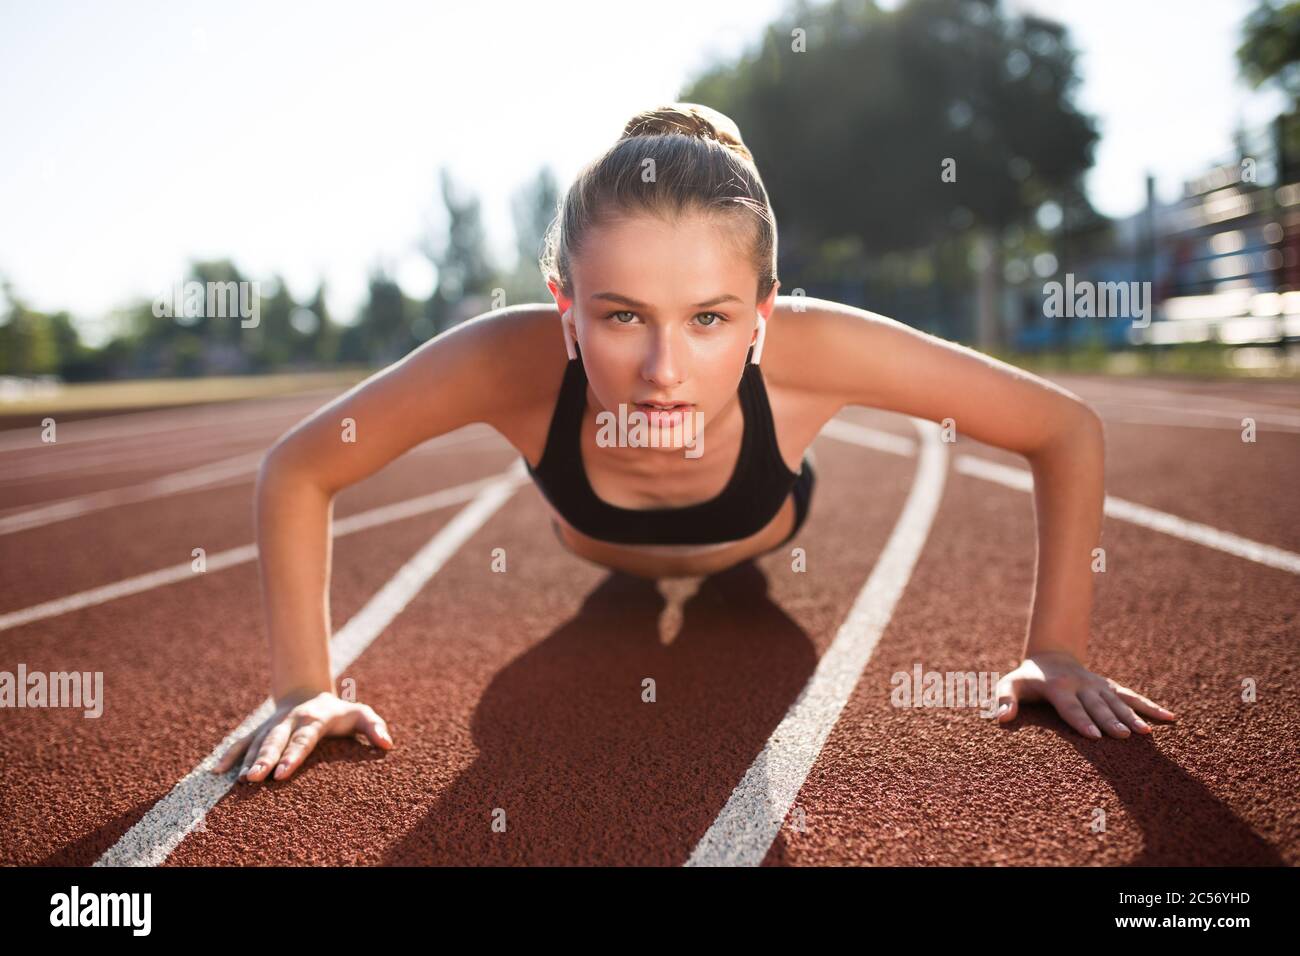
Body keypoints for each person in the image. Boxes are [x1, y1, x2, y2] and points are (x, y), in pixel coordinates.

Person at [215, 103, 1177, 786]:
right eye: (624, 316)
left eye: (710, 319)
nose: (663, 369)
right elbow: (300, 468)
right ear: (566, 313)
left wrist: (1055, 649)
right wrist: (303, 684)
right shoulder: (501, 362)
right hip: (590, 539)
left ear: (762, 316)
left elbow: (1063, 429)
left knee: (740, 581)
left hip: (761, 525)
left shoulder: (819, 347)